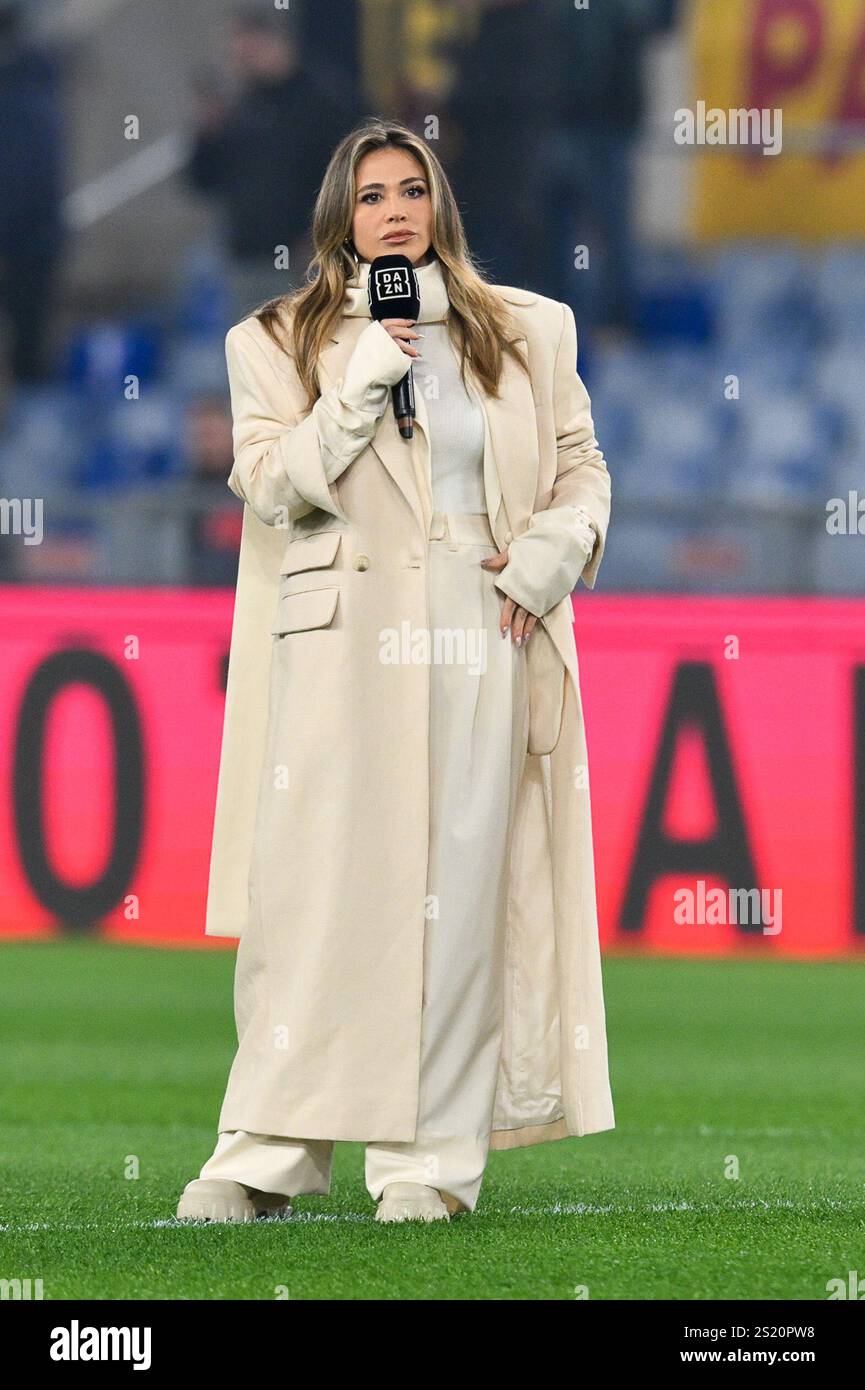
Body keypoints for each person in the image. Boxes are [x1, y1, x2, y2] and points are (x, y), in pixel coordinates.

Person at [176, 117, 614, 1225]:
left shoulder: (528, 329)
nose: (394, 210)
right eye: (371, 195)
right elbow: (274, 484)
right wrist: (367, 367)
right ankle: (266, 1153)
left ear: (440, 204)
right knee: (315, 899)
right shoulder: (272, 339)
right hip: (341, 641)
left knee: (459, 900)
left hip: (483, 623)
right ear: (340, 218)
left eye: (411, 188)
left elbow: (579, 473)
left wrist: (549, 561)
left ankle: (427, 1169)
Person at [184, 4, 360, 324]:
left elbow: (346, 174)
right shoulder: (241, 110)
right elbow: (203, 182)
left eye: (249, 49)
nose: (242, 60)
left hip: (303, 257)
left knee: (303, 351)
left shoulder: (321, 100)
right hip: (246, 258)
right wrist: (206, 136)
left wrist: (324, 236)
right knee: (255, 359)